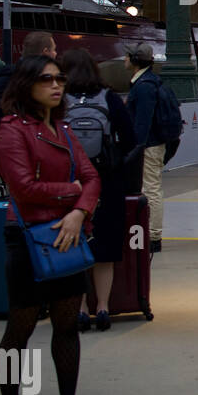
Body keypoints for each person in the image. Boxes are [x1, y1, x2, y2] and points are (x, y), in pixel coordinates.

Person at [0, 55, 101, 395]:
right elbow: (23, 188)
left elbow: (91, 176)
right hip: (28, 237)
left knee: (67, 323)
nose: (56, 86)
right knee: (20, 326)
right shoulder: (12, 130)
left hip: (67, 233)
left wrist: (78, 212)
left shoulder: (62, 128)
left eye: (60, 80)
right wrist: (72, 194)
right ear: (26, 85)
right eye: (46, 80)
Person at [59, 49, 137, 332]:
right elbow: (130, 139)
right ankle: (102, 308)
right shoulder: (110, 98)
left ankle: (79, 309)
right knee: (105, 247)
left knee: (73, 244)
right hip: (107, 181)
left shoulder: (59, 101)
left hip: (70, 183)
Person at [0, 31, 57, 188]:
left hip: (3, 152)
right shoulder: (28, 79)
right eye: (54, 50)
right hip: (20, 155)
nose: (55, 54)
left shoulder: (5, 79)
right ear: (45, 52)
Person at [125, 44, 169, 253]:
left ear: (133, 60)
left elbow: (143, 120)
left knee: (151, 188)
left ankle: (153, 236)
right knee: (150, 187)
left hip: (148, 146)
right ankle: (152, 233)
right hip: (151, 144)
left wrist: (136, 147)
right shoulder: (148, 82)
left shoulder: (143, 86)